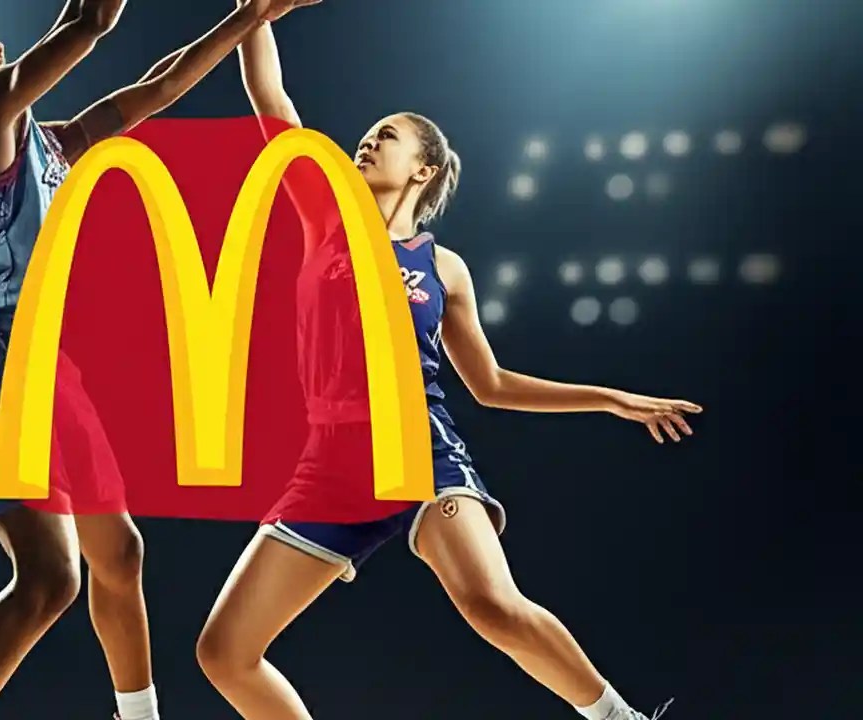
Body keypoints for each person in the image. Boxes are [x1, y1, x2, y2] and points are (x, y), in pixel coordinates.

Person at [194, 8, 699, 720]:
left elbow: (490, 385)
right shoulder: (325, 218)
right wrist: (254, 13)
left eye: (387, 137)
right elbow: (271, 102)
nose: (366, 141)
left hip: (421, 450)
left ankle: (620, 719)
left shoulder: (445, 268)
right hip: (330, 462)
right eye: (367, 135)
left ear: (423, 168)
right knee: (223, 653)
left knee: (491, 604)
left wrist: (610, 398)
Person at [0, 0, 319, 717]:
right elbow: (86, 25)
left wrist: (249, 17)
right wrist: (92, 22)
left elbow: (161, 85)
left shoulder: (42, 141)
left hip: (49, 366)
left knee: (119, 556)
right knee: (51, 581)